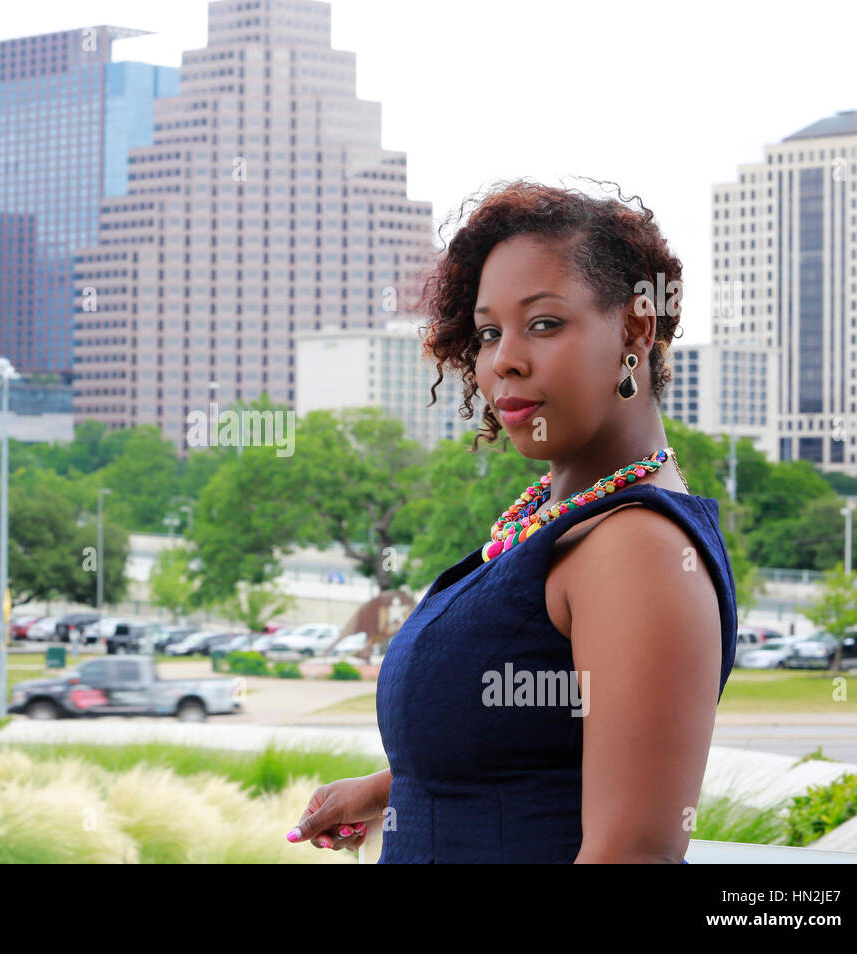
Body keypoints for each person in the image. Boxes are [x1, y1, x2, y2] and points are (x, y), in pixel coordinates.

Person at [286, 178, 737, 862]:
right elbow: (539, 748)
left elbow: (632, 853)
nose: (504, 360)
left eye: (545, 323)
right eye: (490, 332)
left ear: (636, 329)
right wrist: (400, 789)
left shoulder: (637, 548)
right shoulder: (566, 520)